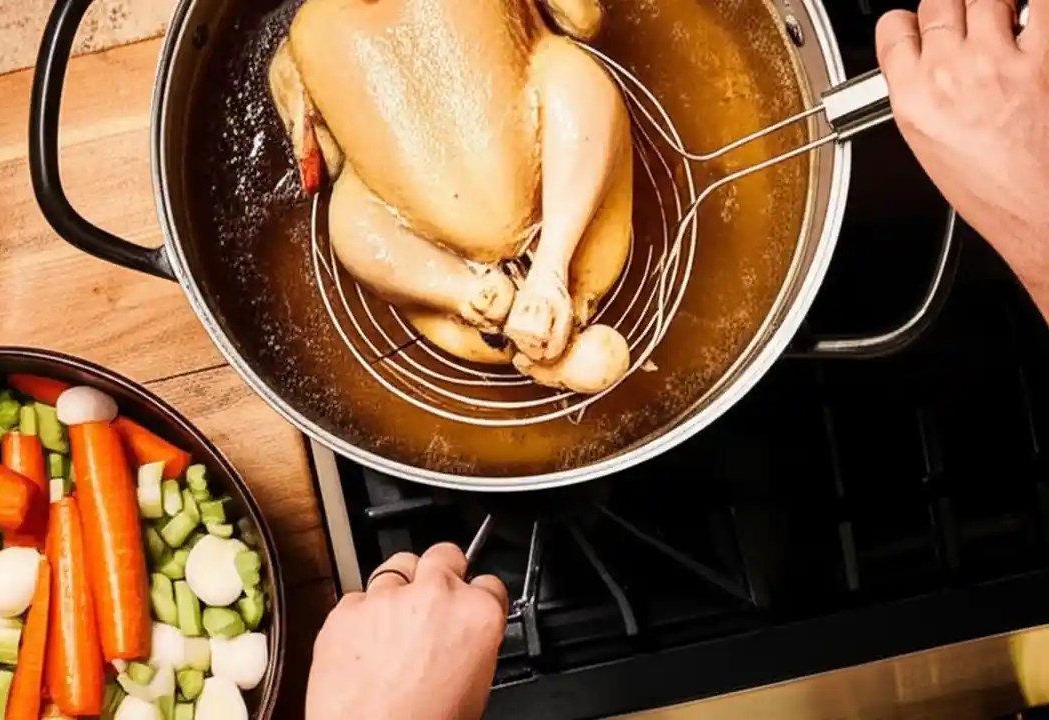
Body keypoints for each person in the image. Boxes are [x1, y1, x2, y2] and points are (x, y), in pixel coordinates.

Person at [304, 1, 1049, 717]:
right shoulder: (308, 34)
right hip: (445, 259)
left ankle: (553, 269)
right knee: (357, 219)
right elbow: (320, 145)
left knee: (567, 80)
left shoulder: (311, 30)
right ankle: (493, 293)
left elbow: (578, 25)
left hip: (553, 202)